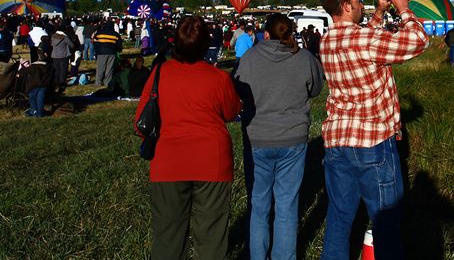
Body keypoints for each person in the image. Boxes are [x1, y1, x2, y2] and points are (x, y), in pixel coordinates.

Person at [319, 0, 429, 260]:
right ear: (346, 6)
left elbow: (361, 41)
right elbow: (418, 41)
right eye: (358, 2)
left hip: (337, 143)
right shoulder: (365, 42)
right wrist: (404, 9)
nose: (362, 5)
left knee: (339, 221)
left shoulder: (326, 41)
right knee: (386, 224)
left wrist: (379, 12)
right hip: (373, 143)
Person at [134, 17, 242, 260]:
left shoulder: (160, 74)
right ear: (206, 44)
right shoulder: (220, 78)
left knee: (168, 236)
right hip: (211, 161)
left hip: (168, 161)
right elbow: (232, 112)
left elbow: (140, 121)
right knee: (212, 236)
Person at [234, 13, 324, 260]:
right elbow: (316, 88)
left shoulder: (249, 58)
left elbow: (237, 89)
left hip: (258, 137)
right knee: (286, 206)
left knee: (259, 206)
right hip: (292, 137)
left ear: (265, 34)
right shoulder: (303, 57)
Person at [20, 52, 53, 117]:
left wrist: (20, 71)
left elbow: (23, 72)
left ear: (38, 58)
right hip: (44, 86)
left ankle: (34, 112)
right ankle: (40, 113)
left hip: (34, 85)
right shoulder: (49, 67)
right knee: (40, 99)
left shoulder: (34, 66)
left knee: (32, 98)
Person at [93, 20, 122, 88]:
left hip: (101, 52)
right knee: (109, 68)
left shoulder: (99, 33)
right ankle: (107, 82)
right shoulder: (115, 34)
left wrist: (97, 50)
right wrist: (117, 49)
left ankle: (98, 82)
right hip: (112, 52)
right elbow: (119, 45)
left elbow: (94, 42)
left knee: (100, 68)